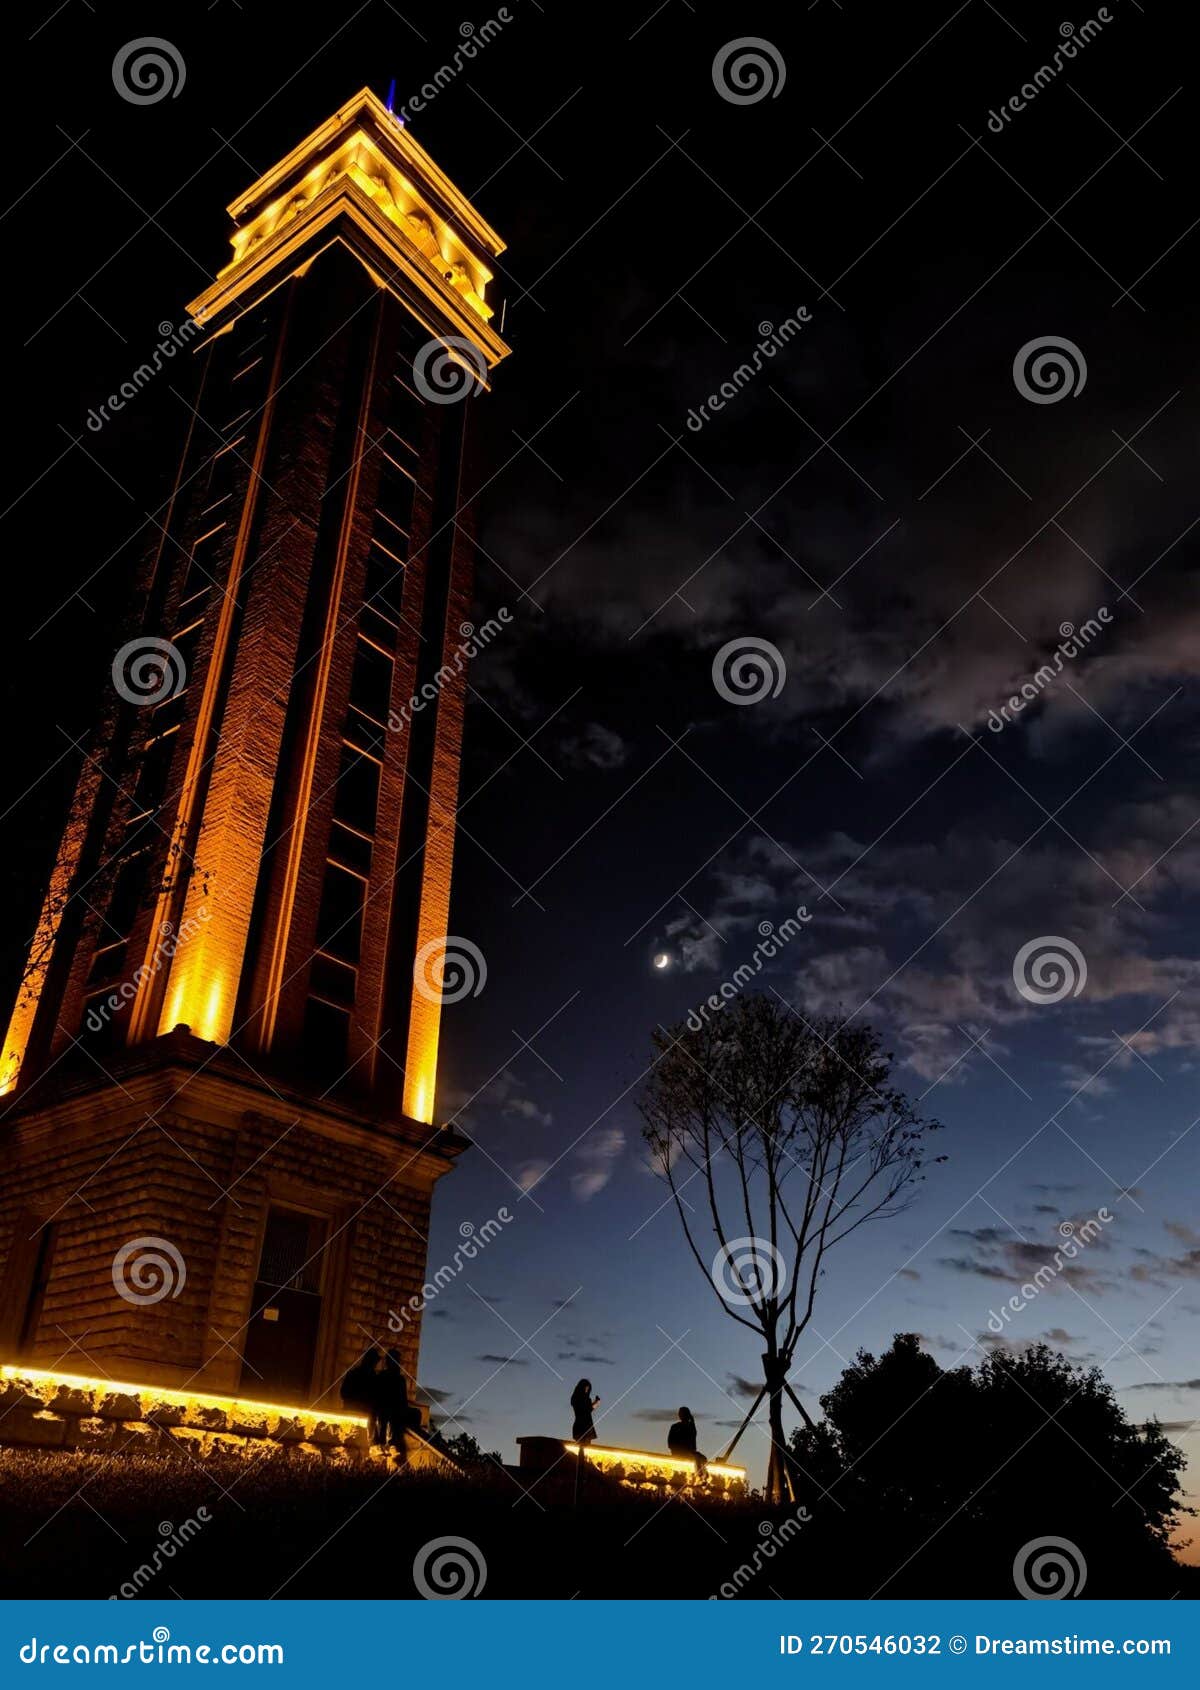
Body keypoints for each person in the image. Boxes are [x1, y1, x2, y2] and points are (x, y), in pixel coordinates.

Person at [378, 1348, 422, 1452]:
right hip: (386, 1407)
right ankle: (392, 1442)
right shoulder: (383, 1376)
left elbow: (403, 1399)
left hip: (398, 1408)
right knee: (392, 1414)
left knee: (416, 1413)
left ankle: (405, 1438)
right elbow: (380, 1396)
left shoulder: (400, 1379)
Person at [341, 1346, 384, 1446]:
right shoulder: (369, 1377)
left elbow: (344, 1392)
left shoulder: (356, 1373)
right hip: (359, 1411)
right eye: (374, 1362)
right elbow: (345, 1393)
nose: (375, 1364)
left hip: (359, 1410)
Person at [667, 1406, 708, 1478]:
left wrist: (692, 1422)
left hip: (688, 1452)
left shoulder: (689, 1427)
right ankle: (700, 1475)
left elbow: (693, 1437)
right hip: (679, 1452)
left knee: (702, 1458)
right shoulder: (676, 1426)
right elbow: (671, 1443)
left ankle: (702, 1474)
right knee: (698, 1457)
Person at [570, 1378, 599, 1444]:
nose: (587, 1390)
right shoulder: (584, 1398)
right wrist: (596, 1402)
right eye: (586, 1388)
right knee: (583, 1446)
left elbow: (587, 1409)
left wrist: (595, 1402)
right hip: (584, 1426)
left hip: (580, 1425)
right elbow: (588, 1409)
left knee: (582, 1446)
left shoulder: (575, 1397)